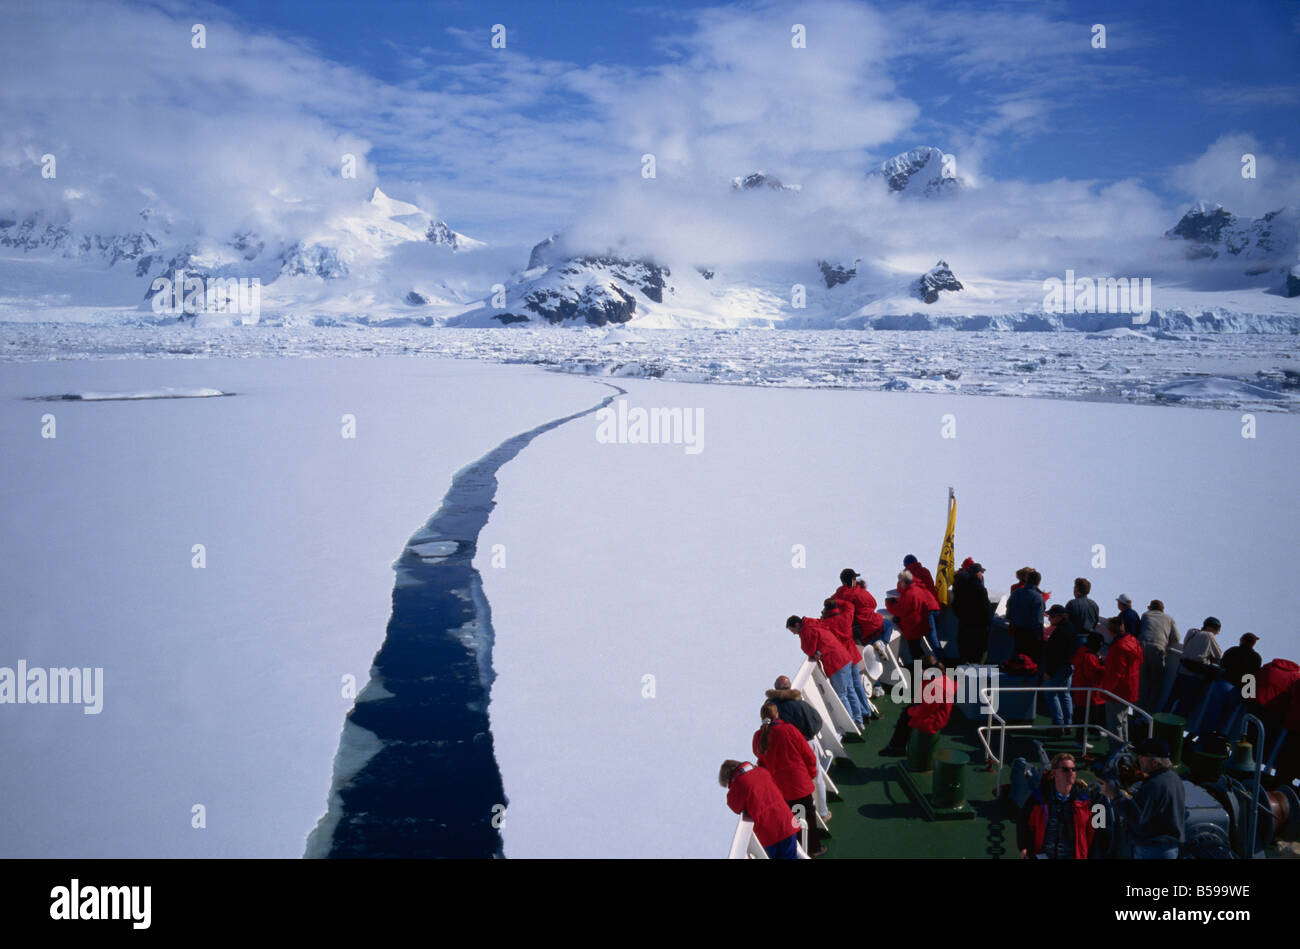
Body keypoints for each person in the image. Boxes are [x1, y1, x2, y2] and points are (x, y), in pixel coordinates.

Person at [753, 703, 824, 856]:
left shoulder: (758, 737)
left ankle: (797, 849)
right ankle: (813, 849)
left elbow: (760, 758)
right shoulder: (789, 730)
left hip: (779, 789)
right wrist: (810, 774)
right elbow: (808, 755)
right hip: (799, 785)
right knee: (807, 817)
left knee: (791, 820)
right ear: (777, 714)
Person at [1100, 737, 1185, 859]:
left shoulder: (1154, 785)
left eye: (1143, 756)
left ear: (1155, 762)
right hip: (1166, 849)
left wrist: (1115, 796)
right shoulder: (1174, 778)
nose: (1139, 758)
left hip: (1153, 851)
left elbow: (1136, 818)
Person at [787, 613, 868, 727]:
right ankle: (859, 719)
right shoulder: (815, 623)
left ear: (797, 625)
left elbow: (809, 649)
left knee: (842, 695)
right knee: (850, 690)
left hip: (836, 663)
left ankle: (852, 724)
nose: (795, 634)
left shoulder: (807, 630)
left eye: (793, 631)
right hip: (845, 657)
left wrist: (815, 652)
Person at [767, 675, 829, 822]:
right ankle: (823, 812)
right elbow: (816, 723)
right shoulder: (799, 704)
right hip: (806, 743)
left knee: (793, 779)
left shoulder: (770, 705)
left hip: (783, 748)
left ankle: (800, 813)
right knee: (817, 777)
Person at [1017, 752, 1095, 859]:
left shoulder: (1085, 802)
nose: (1071, 772)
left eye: (1073, 769)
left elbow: (1093, 832)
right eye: (1065, 769)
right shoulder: (1038, 799)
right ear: (1054, 773)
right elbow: (1024, 824)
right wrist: (1024, 847)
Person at [720, 759, 802, 859]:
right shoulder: (761, 771)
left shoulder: (739, 784)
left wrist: (733, 786)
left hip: (768, 833)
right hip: (787, 822)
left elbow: (734, 805)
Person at [880, 657, 956, 757]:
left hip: (934, 719)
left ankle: (896, 747)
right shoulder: (938, 678)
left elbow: (926, 710)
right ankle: (898, 745)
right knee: (907, 712)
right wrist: (914, 704)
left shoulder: (936, 686)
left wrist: (912, 711)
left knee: (905, 717)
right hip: (935, 712)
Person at [821, 597, 874, 723]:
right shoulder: (846, 616)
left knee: (849, 688)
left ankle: (858, 716)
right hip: (852, 654)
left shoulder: (826, 624)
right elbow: (849, 604)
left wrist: (824, 616)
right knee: (857, 685)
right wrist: (836, 600)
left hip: (840, 659)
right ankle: (866, 711)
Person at [1168, 617, 1223, 719]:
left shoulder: (1192, 632)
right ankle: (1171, 730)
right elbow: (1218, 654)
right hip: (1194, 676)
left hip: (1182, 671)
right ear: (1211, 628)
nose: (1217, 633)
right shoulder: (1209, 636)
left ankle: (1159, 724)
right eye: (1216, 630)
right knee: (1183, 707)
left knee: (1171, 700)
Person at [1100, 615, 1142, 747]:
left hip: (1118, 690)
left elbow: (1115, 673)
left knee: (1115, 723)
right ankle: (1123, 749)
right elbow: (1140, 660)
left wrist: (1105, 691)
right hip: (1130, 688)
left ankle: (1116, 754)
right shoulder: (1133, 641)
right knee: (1123, 720)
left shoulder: (1118, 647)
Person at [888, 570, 941, 664]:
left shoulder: (909, 594)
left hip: (914, 628)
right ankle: (935, 666)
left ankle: (923, 674)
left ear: (904, 582)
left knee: (916, 652)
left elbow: (900, 610)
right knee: (919, 649)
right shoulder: (917, 588)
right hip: (921, 624)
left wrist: (889, 604)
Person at [1138, 599, 1180, 712]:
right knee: (1156, 683)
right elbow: (1177, 638)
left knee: (1142, 682)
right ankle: (1149, 713)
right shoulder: (1169, 618)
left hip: (1141, 647)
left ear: (1150, 607)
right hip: (1158, 649)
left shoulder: (1145, 615)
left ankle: (1138, 713)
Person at [834, 568, 890, 649]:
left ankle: (873, 649)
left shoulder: (836, 597)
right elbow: (873, 604)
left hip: (853, 635)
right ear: (852, 580)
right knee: (888, 624)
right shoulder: (858, 592)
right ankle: (881, 644)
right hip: (868, 627)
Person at [952, 560, 993, 665]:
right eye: (981, 572)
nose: (982, 575)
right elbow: (986, 608)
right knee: (978, 654)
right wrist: (987, 623)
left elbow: (955, 605)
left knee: (965, 652)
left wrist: (962, 617)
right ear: (977, 573)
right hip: (978, 627)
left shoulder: (962, 587)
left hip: (964, 625)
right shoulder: (980, 589)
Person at [1042, 604, 1075, 730]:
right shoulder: (1070, 628)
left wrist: (1049, 672)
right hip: (1068, 667)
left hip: (1059, 668)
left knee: (1050, 694)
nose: (1049, 618)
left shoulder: (1061, 632)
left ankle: (1058, 723)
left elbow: (1056, 655)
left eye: (1051, 616)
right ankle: (1068, 723)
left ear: (1059, 617)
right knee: (1065, 694)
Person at [1006, 569, 1046, 664]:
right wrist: (1040, 636)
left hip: (1016, 630)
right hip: (1030, 633)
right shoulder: (1038, 597)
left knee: (1018, 658)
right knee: (1029, 661)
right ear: (1039, 582)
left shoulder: (1016, 592)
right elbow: (1038, 620)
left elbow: (1009, 609)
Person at [1070, 632, 1106, 729]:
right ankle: (1081, 739)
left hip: (1081, 688)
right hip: (1088, 691)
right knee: (1085, 716)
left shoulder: (1082, 651)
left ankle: (1080, 737)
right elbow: (1092, 674)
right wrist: (1105, 668)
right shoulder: (1089, 656)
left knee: (1081, 714)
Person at [1064, 578, 1100, 650]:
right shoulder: (1094, 605)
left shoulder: (1072, 604)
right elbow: (1095, 622)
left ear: (1076, 589)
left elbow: (1065, 623)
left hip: (1073, 641)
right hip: (1089, 641)